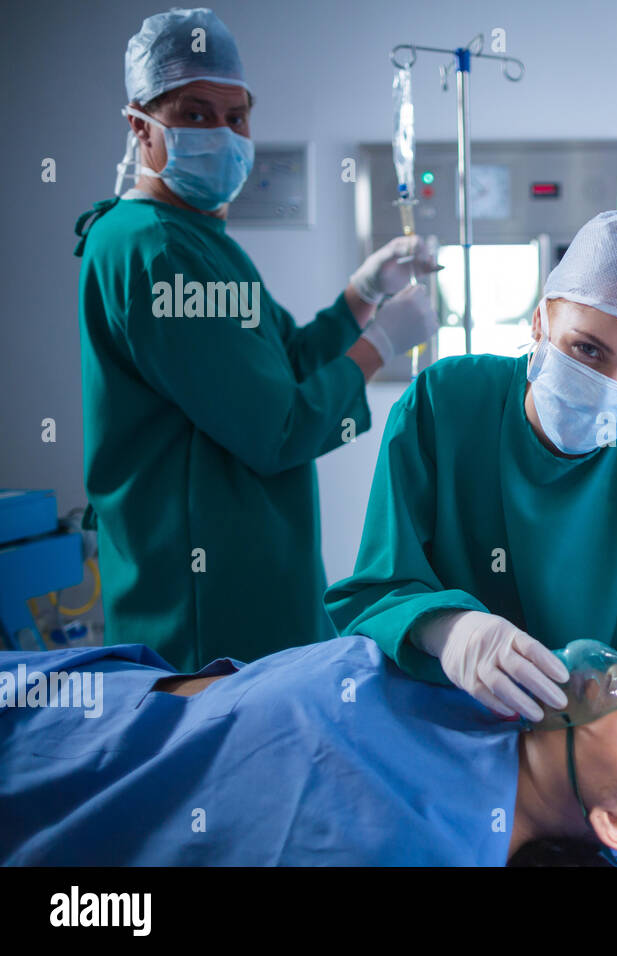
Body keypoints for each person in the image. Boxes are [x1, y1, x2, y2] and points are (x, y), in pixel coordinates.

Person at [75, 8, 439, 671]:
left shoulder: (195, 236)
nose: (223, 132)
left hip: (246, 582)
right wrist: (382, 345)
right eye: (194, 114)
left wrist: (363, 294)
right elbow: (279, 429)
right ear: (139, 126)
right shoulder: (155, 250)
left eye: (236, 116)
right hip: (204, 607)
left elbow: (284, 363)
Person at [326, 209, 617, 722]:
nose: (609, 388)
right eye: (588, 350)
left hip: (593, 746)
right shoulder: (445, 404)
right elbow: (381, 583)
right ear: (541, 321)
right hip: (441, 723)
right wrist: (449, 629)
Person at [0, 638, 617, 865]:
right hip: (85, 699)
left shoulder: (437, 843)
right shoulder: (488, 701)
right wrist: (439, 626)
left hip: (60, 791)